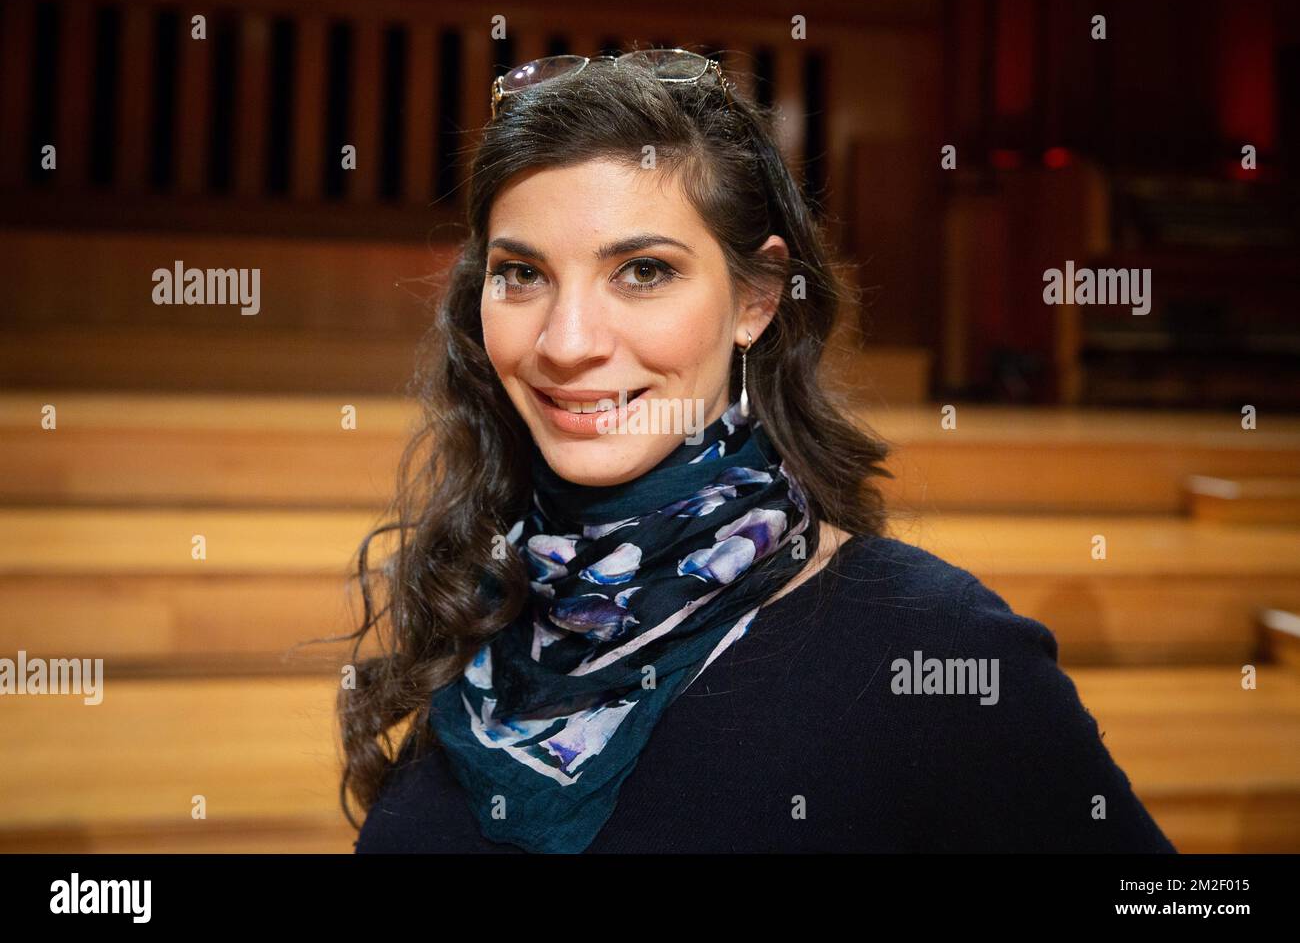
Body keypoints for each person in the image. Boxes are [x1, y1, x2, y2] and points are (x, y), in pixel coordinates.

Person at [342, 49, 1176, 853]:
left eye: (641, 271)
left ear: (757, 297)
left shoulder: (934, 647)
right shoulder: (488, 592)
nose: (566, 343)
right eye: (522, 274)